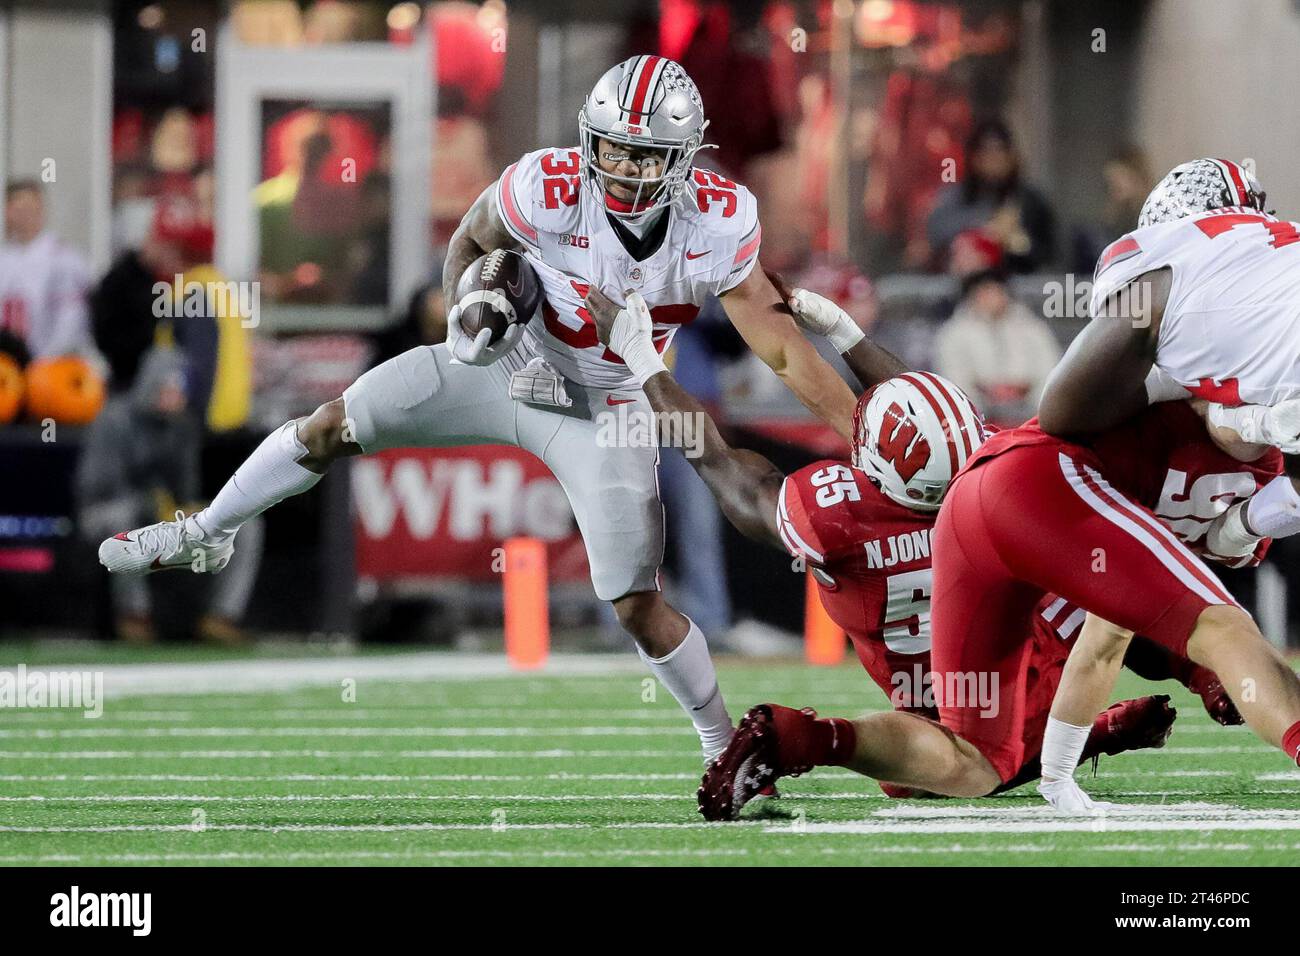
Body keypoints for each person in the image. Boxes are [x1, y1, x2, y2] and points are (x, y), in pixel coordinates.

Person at [97, 55, 860, 762]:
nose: (623, 167)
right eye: (613, 148)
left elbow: (786, 351)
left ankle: (722, 746)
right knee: (332, 424)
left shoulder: (717, 220)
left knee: (634, 602)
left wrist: (859, 432)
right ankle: (206, 533)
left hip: (611, 402)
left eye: (644, 153)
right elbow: (469, 244)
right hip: (508, 365)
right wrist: (476, 307)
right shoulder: (544, 185)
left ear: (685, 159)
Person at [587, 287, 1248, 818]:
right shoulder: (991, 483)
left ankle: (1101, 723)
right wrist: (850, 339)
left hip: (925, 694)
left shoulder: (833, 513)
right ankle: (1187, 677)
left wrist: (646, 365)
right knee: (1090, 573)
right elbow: (943, 427)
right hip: (1017, 672)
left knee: (928, 772)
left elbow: (715, 457)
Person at [1026, 158, 1300, 805]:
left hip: (1048, 492)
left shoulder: (1157, 268)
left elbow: (1061, 412)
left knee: (1218, 628)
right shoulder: (1264, 269)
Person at [77, 347, 263, 644]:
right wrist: (148, 500)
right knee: (126, 519)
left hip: (161, 517)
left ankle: (221, 616)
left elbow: (185, 489)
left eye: (180, 389)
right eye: (170, 387)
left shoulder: (182, 426)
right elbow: (96, 486)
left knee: (245, 524)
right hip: (109, 511)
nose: (176, 395)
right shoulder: (114, 419)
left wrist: (186, 509)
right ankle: (134, 615)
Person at [934, 235, 1062, 426]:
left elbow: (1051, 373)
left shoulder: (1033, 328)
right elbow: (953, 382)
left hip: (1030, 420)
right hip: (978, 422)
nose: (990, 297)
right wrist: (981, 408)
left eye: (995, 290)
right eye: (983, 291)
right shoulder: (953, 333)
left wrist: (1033, 408)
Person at [925, 120, 1056, 272]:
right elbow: (937, 237)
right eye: (986, 152)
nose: (993, 159)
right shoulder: (954, 198)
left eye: (999, 151)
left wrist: (1015, 242)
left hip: (1020, 288)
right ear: (973, 157)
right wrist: (985, 231)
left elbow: (1048, 253)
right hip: (964, 287)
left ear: (1012, 156)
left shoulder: (1031, 201)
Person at [0, 179, 95, 359]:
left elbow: (72, 319)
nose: (23, 215)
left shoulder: (64, 259)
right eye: (16, 209)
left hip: (49, 365)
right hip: (7, 366)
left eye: (29, 208)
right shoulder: (4, 259)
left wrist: (47, 359)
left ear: (41, 209)